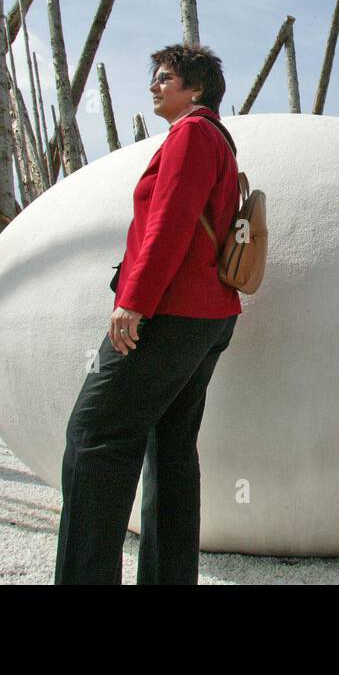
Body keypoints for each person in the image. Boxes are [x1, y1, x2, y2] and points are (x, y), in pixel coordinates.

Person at [55, 43, 242, 585]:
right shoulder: (220, 142)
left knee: (94, 437)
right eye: (155, 77)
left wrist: (132, 301)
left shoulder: (190, 135)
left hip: (170, 312)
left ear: (197, 88)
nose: (155, 86)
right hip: (210, 317)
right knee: (171, 447)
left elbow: (170, 222)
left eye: (165, 78)